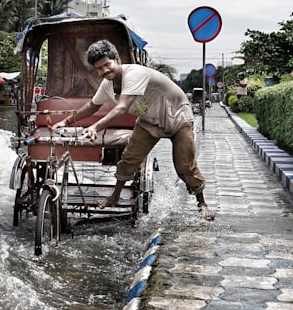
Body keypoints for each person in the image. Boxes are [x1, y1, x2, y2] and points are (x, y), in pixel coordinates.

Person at [52, 39, 214, 221]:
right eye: (99, 68)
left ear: (117, 60)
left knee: (184, 166)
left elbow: (121, 108)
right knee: (129, 158)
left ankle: (202, 203)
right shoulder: (107, 85)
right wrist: (66, 121)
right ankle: (114, 196)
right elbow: (92, 106)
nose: (104, 71)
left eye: (107, 65)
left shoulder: (135, 74)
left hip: (177, 117)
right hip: (149, 121)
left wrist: (95, 127)